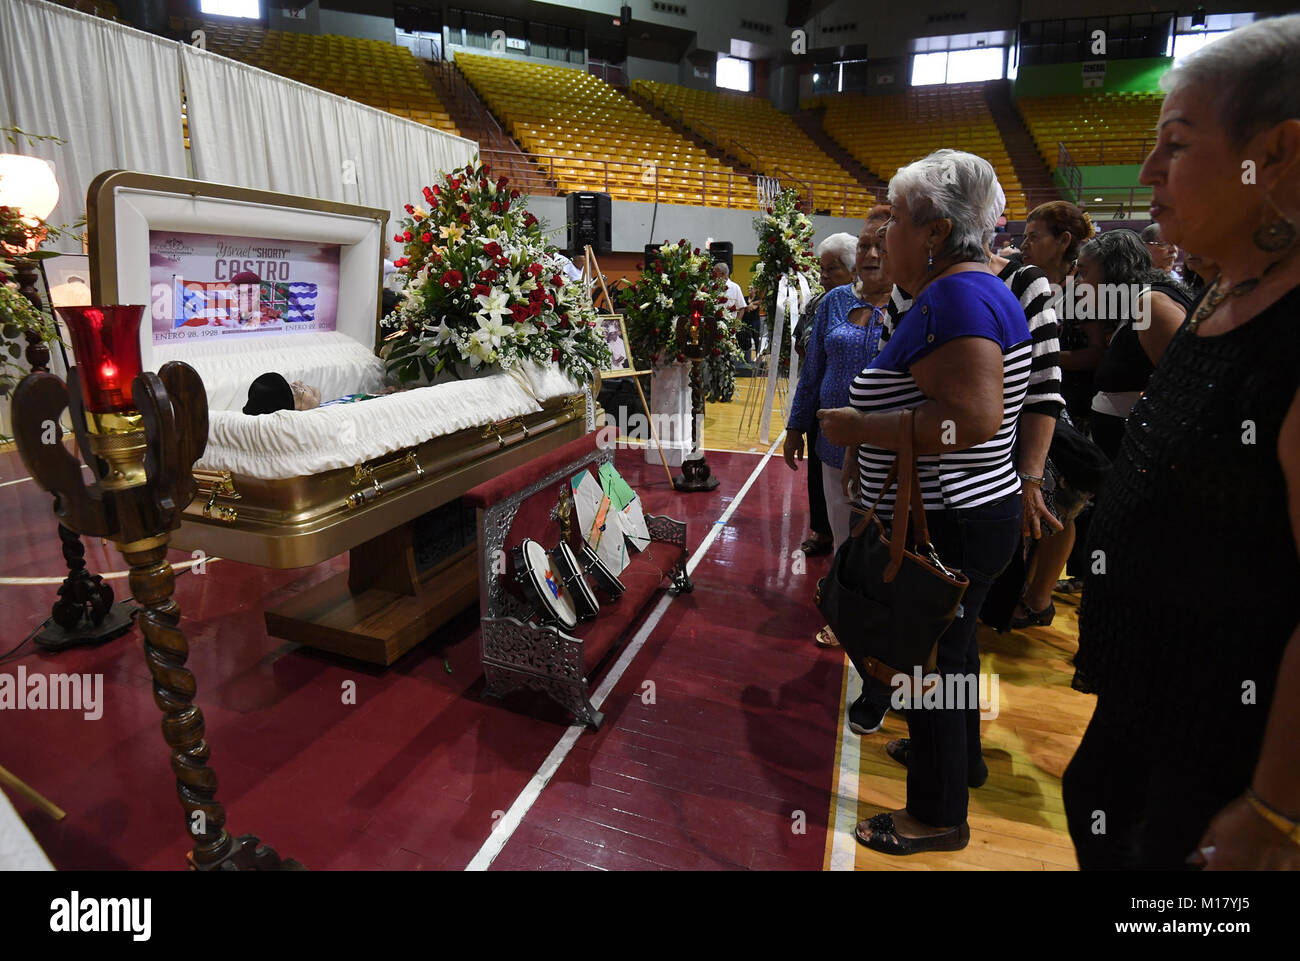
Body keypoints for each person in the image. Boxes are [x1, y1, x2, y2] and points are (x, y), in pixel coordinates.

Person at [1064, 13, 1300, 870]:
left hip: (1218, 781)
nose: (1146, 172)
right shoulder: (1223, 295)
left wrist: (1275, 811)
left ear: (1273, 154)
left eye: (1176, 144)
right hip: (1146, 730)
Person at [819, 150, 1030, 854]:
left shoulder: (954, 297)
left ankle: (935, 815)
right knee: (954, 653)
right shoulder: (978, 286)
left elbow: (970, 418)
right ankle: (958, 764)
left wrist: (859, 427)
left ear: (935, 231)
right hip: (975, 510)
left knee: (929, 667)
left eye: (898, 221)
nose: (885, 238)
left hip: (952, 518)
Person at [784, 214, 891, 667]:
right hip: (831, 443)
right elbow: (813, 371)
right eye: (864, 246)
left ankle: (875, 616)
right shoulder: (833, 302)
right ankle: (845, 611)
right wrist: (795, 425)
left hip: (887, 448)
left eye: (879, 247)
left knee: (879, 537)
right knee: (844, 531)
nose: (869, 255)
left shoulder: (909, 305)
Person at [1009, 201, 1100, 621]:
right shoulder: (1022, 280)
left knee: (1059, 508)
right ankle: (1026, 591)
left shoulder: (1083, 290)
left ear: (1063, 241)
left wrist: (1044, 360)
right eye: (1024, 236)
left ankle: (1038, 598)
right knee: (1042, 507)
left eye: (1034, 237)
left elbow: (1099, 353)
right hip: (1043, 405)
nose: (1024, 245)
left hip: (1068, 411)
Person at [1076, 230, 1191, 461]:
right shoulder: (1135, 303)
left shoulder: (1151, 303)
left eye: (1083, 271)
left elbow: (1186, 389)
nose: (1078, 282)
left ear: (1113, 272)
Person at [792, 232, 858, 558]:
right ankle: (823, 531)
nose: (824, 277)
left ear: (853, 269)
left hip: (863, 421)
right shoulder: (821, 302)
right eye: (822, 269)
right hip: (822, 405)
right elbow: (800, 344)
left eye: (832, 269)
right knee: (821, 478)